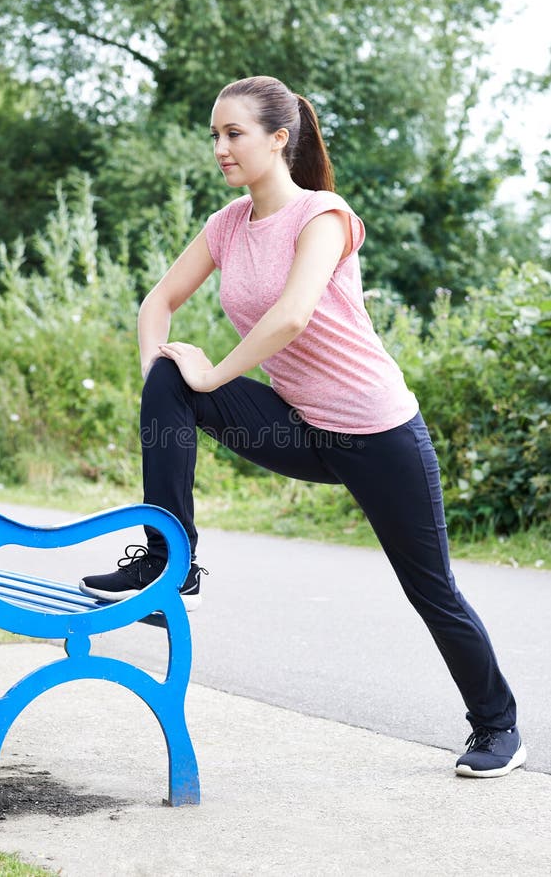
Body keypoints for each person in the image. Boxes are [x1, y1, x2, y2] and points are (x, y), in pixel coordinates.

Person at [81, 75, 525, 778]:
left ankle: (496, 726)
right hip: (298, 427)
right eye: (215, 136)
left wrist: (213, 374)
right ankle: (170, 563)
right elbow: (157, 301)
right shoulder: (226, 225)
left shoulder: (323, 216)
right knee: (170, 371)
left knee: (429, 589)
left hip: (376, 432)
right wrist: (157, 381)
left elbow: (290, 315)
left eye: (234, 134)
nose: (221, 148)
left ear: (278, 138)